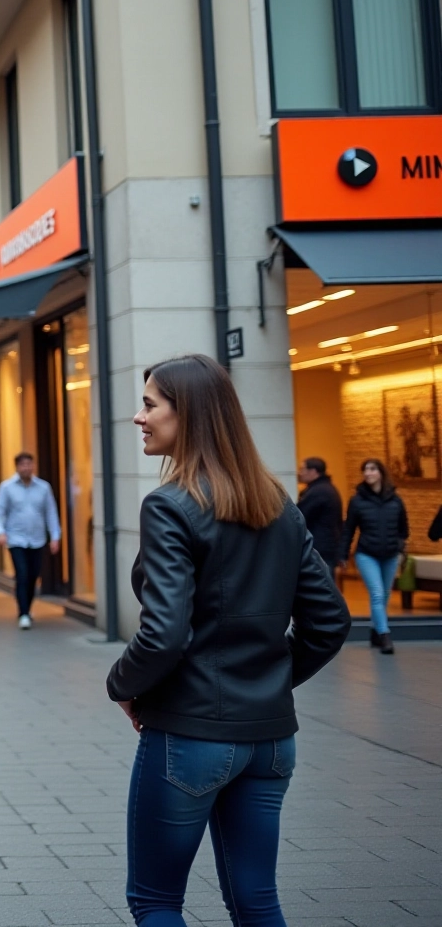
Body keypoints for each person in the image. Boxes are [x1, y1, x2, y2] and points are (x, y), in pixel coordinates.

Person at [109, 353, 349, 927]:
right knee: (256, 899)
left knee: (157, 900)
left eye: (149, 405)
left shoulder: (169, 505)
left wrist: (120, 684)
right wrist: (263, 682)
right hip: (269, 740)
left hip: (191, 735)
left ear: (186, 413)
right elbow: (330, 622)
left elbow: (164, 634)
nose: (138, 418)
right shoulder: (278, 505)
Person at [0, 452, 60, 629]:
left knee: (33, 575)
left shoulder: (44, 488)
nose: (26, 468)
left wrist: (55, 536)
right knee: (22, 573)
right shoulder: (7, 487)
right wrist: (0, 532)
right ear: (17, 467)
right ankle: (24, 613)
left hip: (37, 539)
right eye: (23, 465)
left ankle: (27, 606)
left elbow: (51, 513)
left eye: (29, 464)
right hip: (16, 539)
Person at [344, 458, 408, 655]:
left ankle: (375, 631)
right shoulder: (357, 501)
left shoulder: (396, 500)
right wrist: (343, 554)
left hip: (390, 554)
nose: (367, 473)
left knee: (384, 596)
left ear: (381, 472)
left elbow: (403, 529)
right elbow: (349, 529)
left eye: (372, 469)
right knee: (377, 594)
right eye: (365, 470)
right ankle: (385, 636)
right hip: (366, 554)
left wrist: (400, 548)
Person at [296, 457, 344, 573]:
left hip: (320, 547)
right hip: (327, 545)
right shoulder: (326, 488)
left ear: (313, 471)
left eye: (302, 469)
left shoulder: (318, 492)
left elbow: (300, 516)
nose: (299, 473)